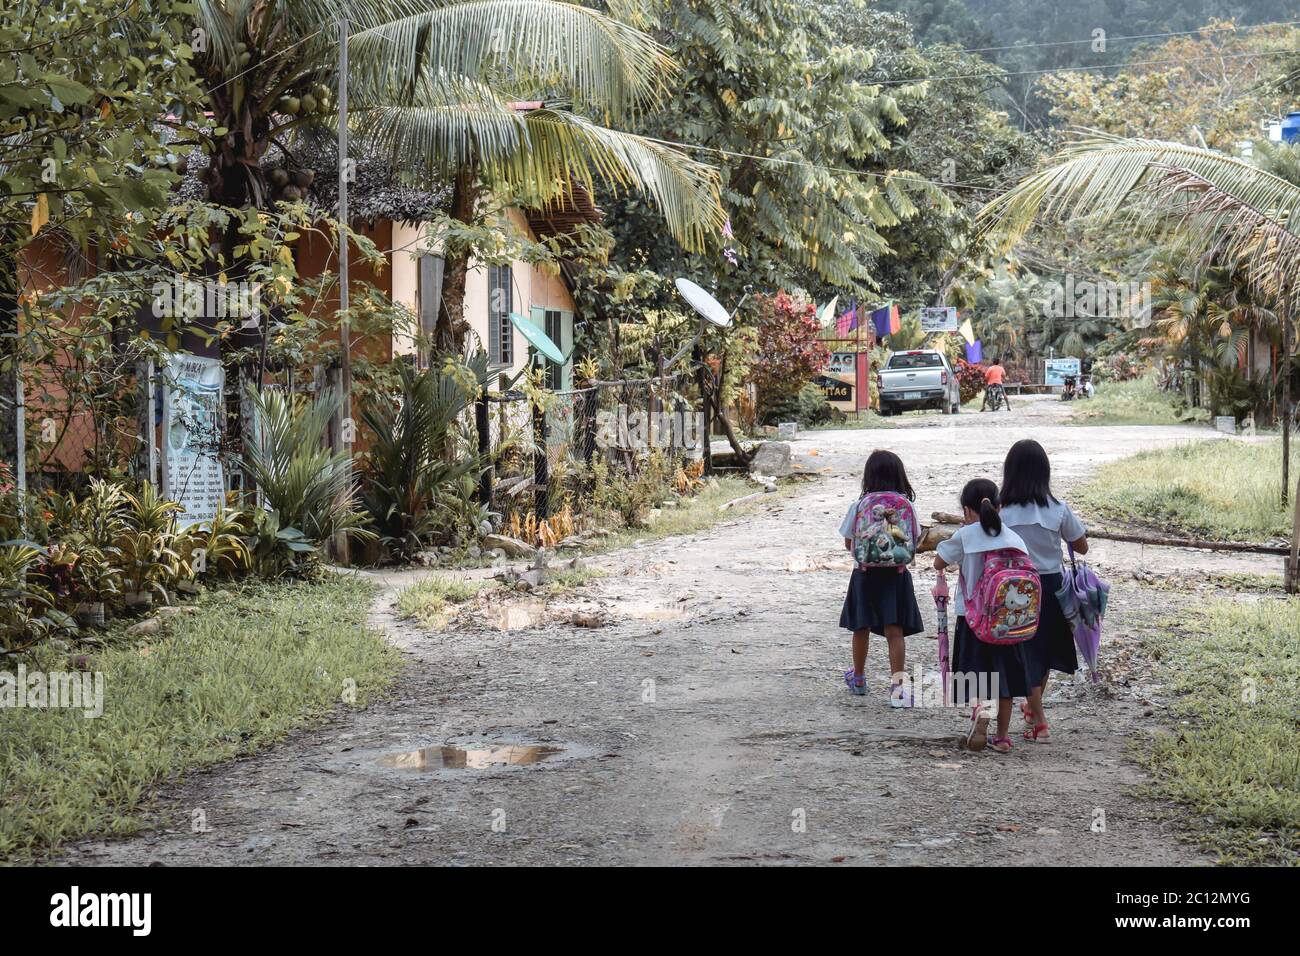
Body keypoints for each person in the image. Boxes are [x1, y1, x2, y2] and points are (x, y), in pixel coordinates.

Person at [933, 478, 1034, 753]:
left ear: (966, 511)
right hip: (1009, 621)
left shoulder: (966, 536)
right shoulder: (1014, 537)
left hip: (973, 619)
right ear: (999, 507)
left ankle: (980, 710)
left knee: (977, 673)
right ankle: (1002, 737)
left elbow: (938, 562)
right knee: (1006, 679)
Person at [999, 439, 1089, 742]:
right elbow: (1082, 546)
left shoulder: (1002, 512)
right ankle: (1036, 714)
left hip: (1014, 590)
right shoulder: (1058, 509)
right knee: (1044, 651)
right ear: (1044, 474)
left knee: (1025, 651)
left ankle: (1037, 718)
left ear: (1009, 473)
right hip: (1051, 587)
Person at [839, 450, 924, 707]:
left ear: (868, 477)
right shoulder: (905, 506)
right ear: (900, 476)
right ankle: (898, 688)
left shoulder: (859, 505)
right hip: (895, 576)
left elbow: (848, 541)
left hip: (864, 575)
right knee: (894, 632)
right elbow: (915, 539)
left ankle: (860, 678)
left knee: (860, 627)